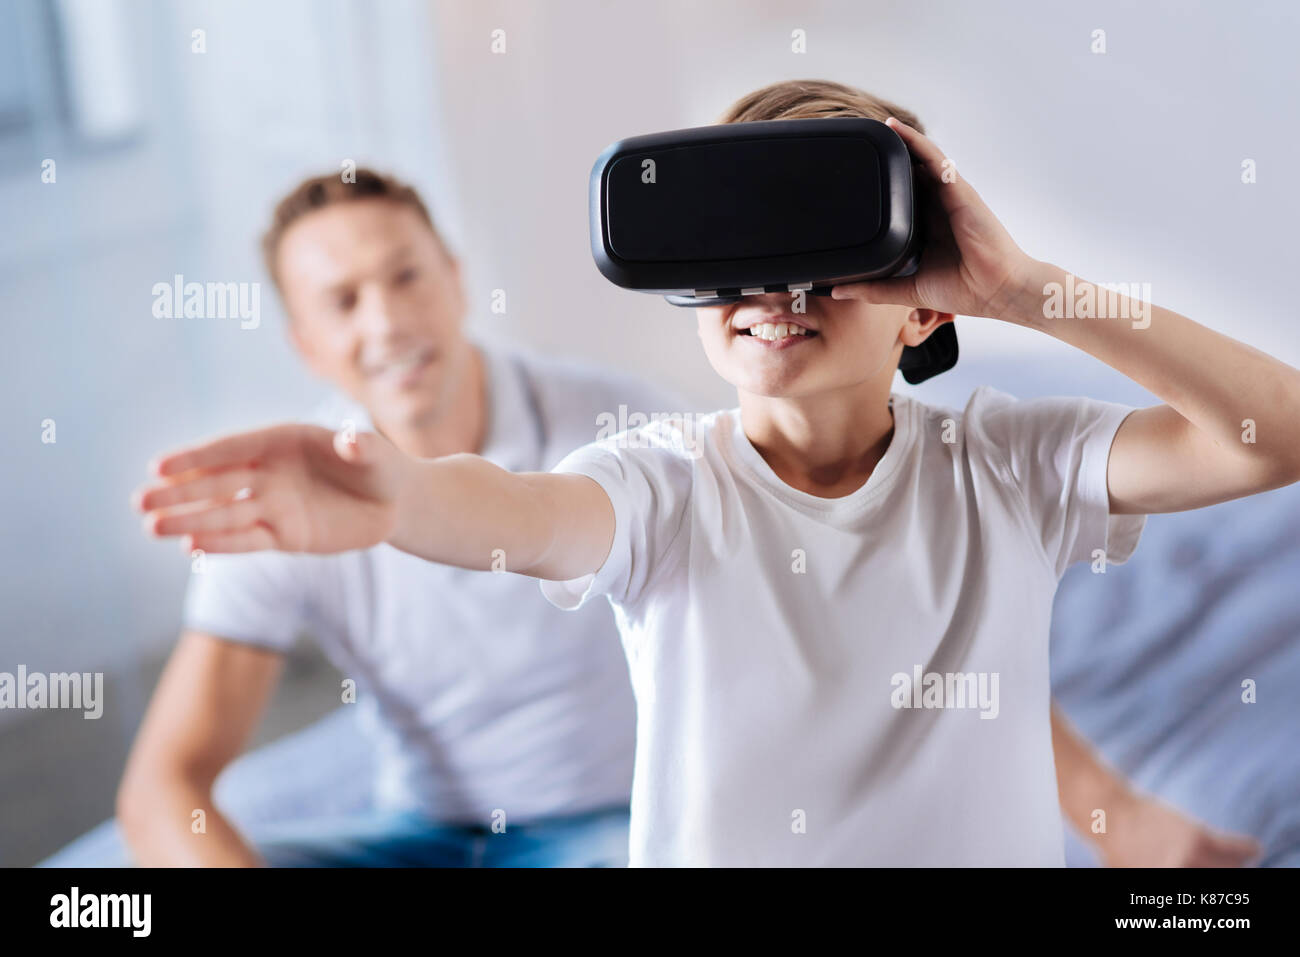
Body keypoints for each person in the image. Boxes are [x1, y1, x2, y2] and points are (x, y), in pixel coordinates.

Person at [133, 81, 1293, 866]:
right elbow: (528, 513)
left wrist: (1021, 289)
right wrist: (398, 494)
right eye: (738, 257)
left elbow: (1272, 439)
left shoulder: (1013, 459)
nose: (777, 293)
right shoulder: (661, 483)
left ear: (920, 307)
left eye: (832, 260)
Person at [115, 169, 679, 866]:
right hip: (420, 835)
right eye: (344, 301)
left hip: (604, 826)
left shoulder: (622, 424)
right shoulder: (288, 496)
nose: (385, 321)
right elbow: (162, 788)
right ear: (307, 345)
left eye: (406, 276)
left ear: (456, 280)